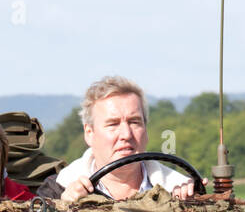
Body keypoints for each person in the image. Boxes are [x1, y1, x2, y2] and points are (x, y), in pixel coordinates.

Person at [36, 76, 195, 202]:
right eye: (113, 124)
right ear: (89, 133)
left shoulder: (178, 187)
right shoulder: (57, 190)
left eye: (134, 122)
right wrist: (62, 209)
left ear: (146, 130)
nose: (126, 134)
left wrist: (193, 204)